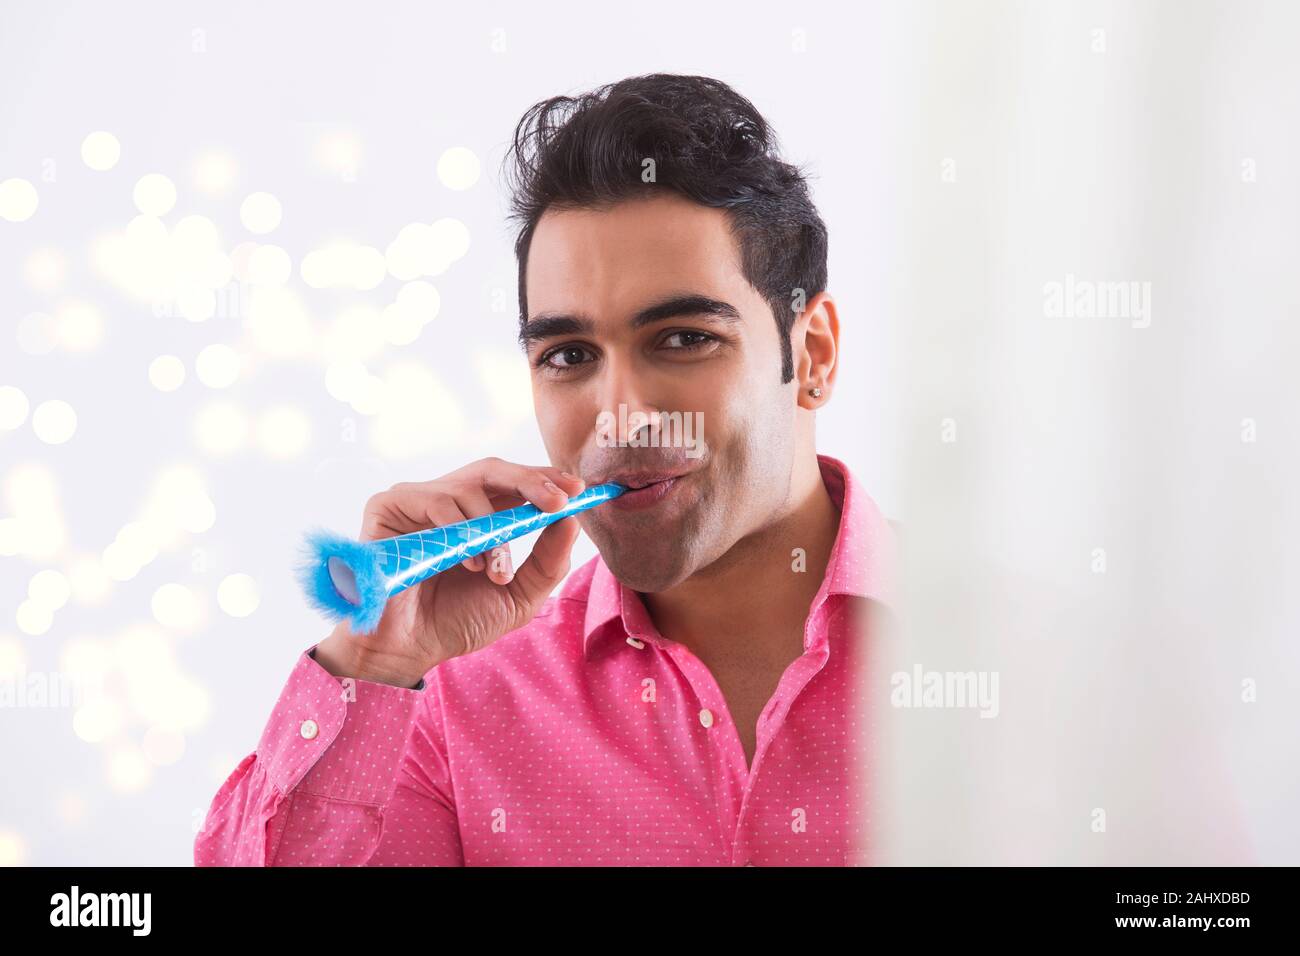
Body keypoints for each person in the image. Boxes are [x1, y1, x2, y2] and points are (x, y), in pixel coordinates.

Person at [194, 73, 894, 866]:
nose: (618, 413)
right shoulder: (450, 702)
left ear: (814, 354)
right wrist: (371, 667)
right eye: (568, 355)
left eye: (683, 338)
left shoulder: (1011, 655)